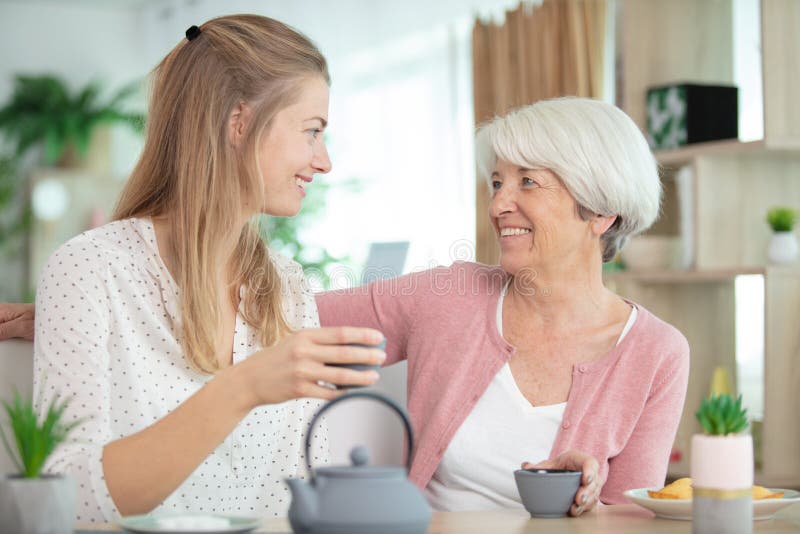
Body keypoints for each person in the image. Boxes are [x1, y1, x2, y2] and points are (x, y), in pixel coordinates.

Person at [20, 15, 386, 523]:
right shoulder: (90, 270)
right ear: (238, 123)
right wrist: (243, 387)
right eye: (312, 132)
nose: (323, 161)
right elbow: (68, 499)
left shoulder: (287, 288)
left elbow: (309, 487)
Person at [314, 97, 690, 514]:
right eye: (497, 183)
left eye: (527, 182)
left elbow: (634, 519)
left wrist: (588, 503)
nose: (497, 206)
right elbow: (292, 318)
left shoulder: (657, 352)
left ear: (600, 209)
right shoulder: (449, 295)